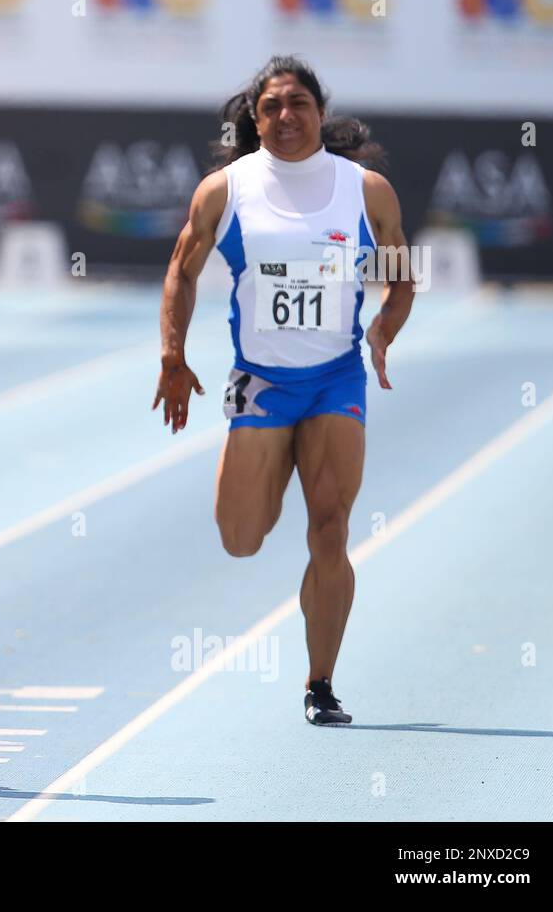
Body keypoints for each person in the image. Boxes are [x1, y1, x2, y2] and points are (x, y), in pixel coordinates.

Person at [153, 55, 416, 725]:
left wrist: (384, 327)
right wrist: (172, 356)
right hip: (261, 384)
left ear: (321, 113)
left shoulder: (365, 191)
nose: (285, 115)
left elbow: (400, 276)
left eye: (298, 102)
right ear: (254, 120)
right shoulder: (225, 189)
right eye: (270, 107)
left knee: (330, 530)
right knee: (241, 538)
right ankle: (256, 481)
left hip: (335, 380)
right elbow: (181, 275)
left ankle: (320, 683)